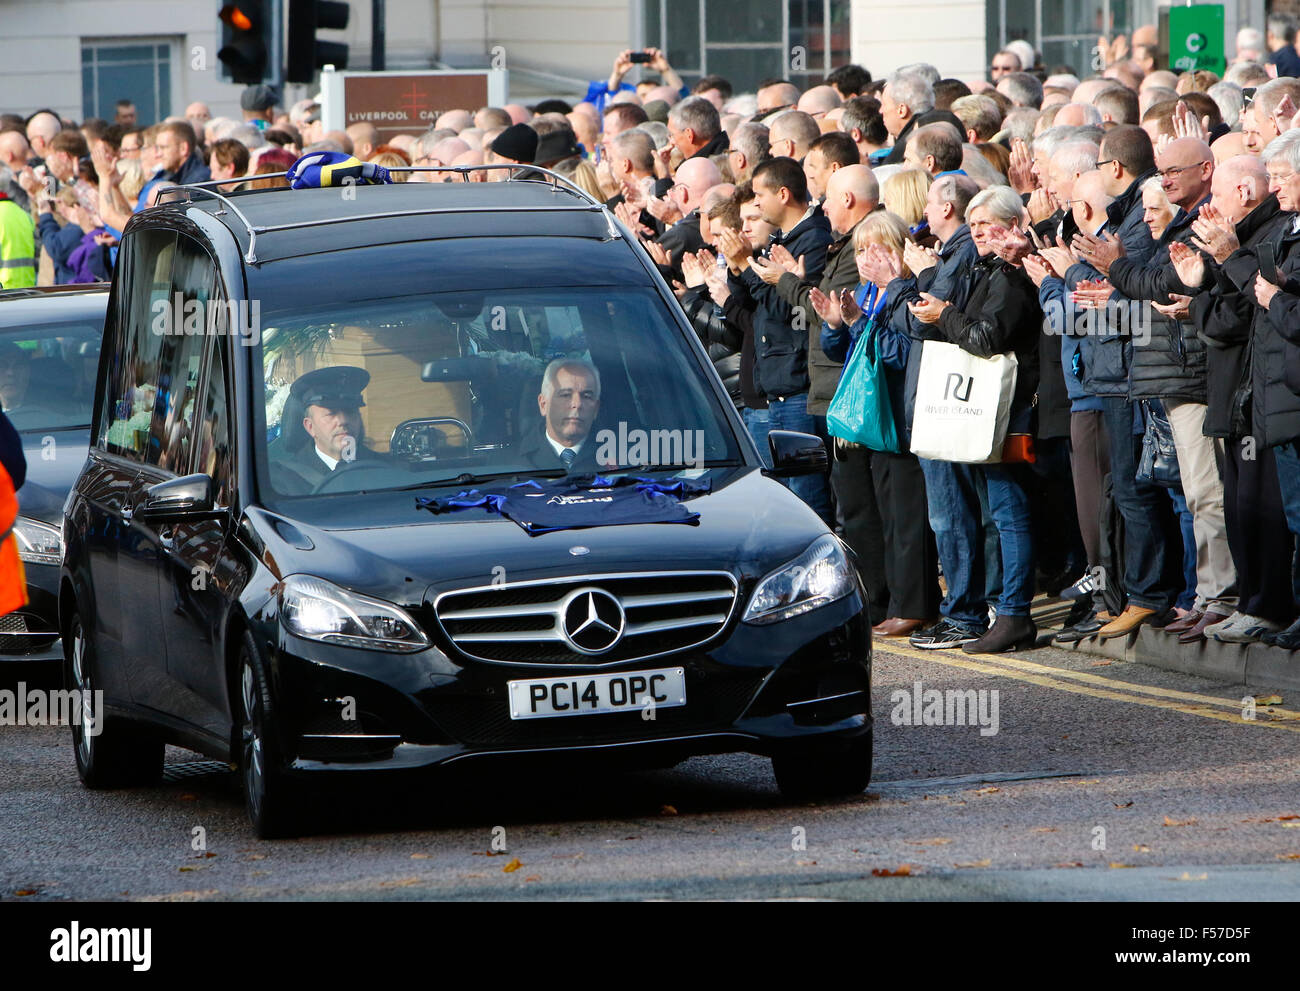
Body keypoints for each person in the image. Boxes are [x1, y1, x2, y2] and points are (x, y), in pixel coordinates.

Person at [276, 366, 385, 491]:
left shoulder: (386, 469)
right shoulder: (283, 482)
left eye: (350, 412)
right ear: (310, 426)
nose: (343, 421)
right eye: (331, 414)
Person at [517, 358, 602, 472]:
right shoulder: (506, 463)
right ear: (543, 405)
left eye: (586, 396)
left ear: (596, 409)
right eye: (565, 395)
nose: (577, 404)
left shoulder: (623, 457)